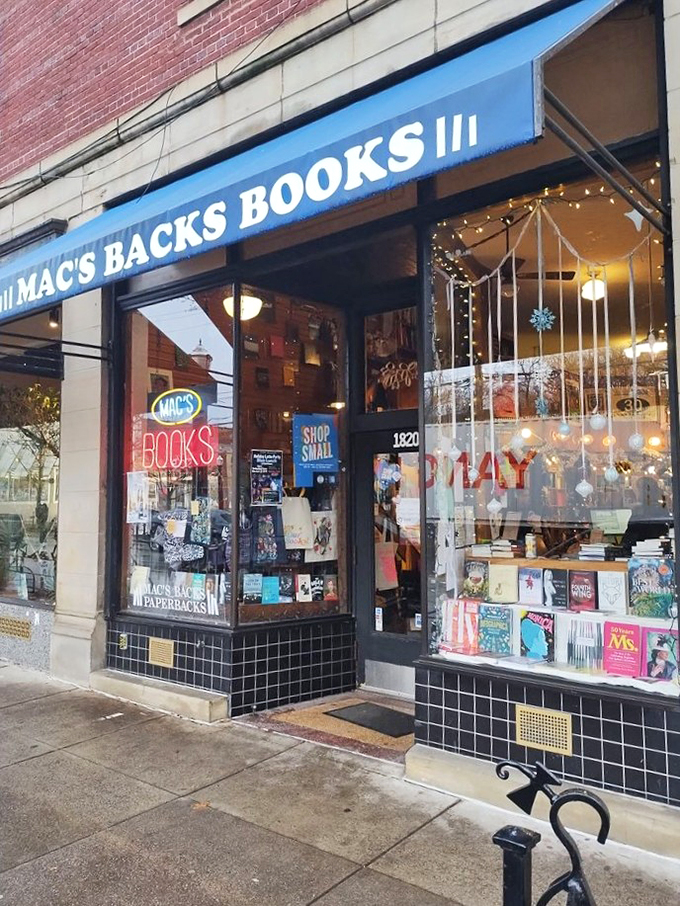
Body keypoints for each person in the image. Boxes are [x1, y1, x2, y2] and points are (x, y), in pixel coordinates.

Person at [621, 477, 670, 554]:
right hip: (652, 549)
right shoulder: (661, 509)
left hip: (644, 550)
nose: (638, 493)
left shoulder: (642, 511)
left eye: (639, 490)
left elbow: (631, 534)